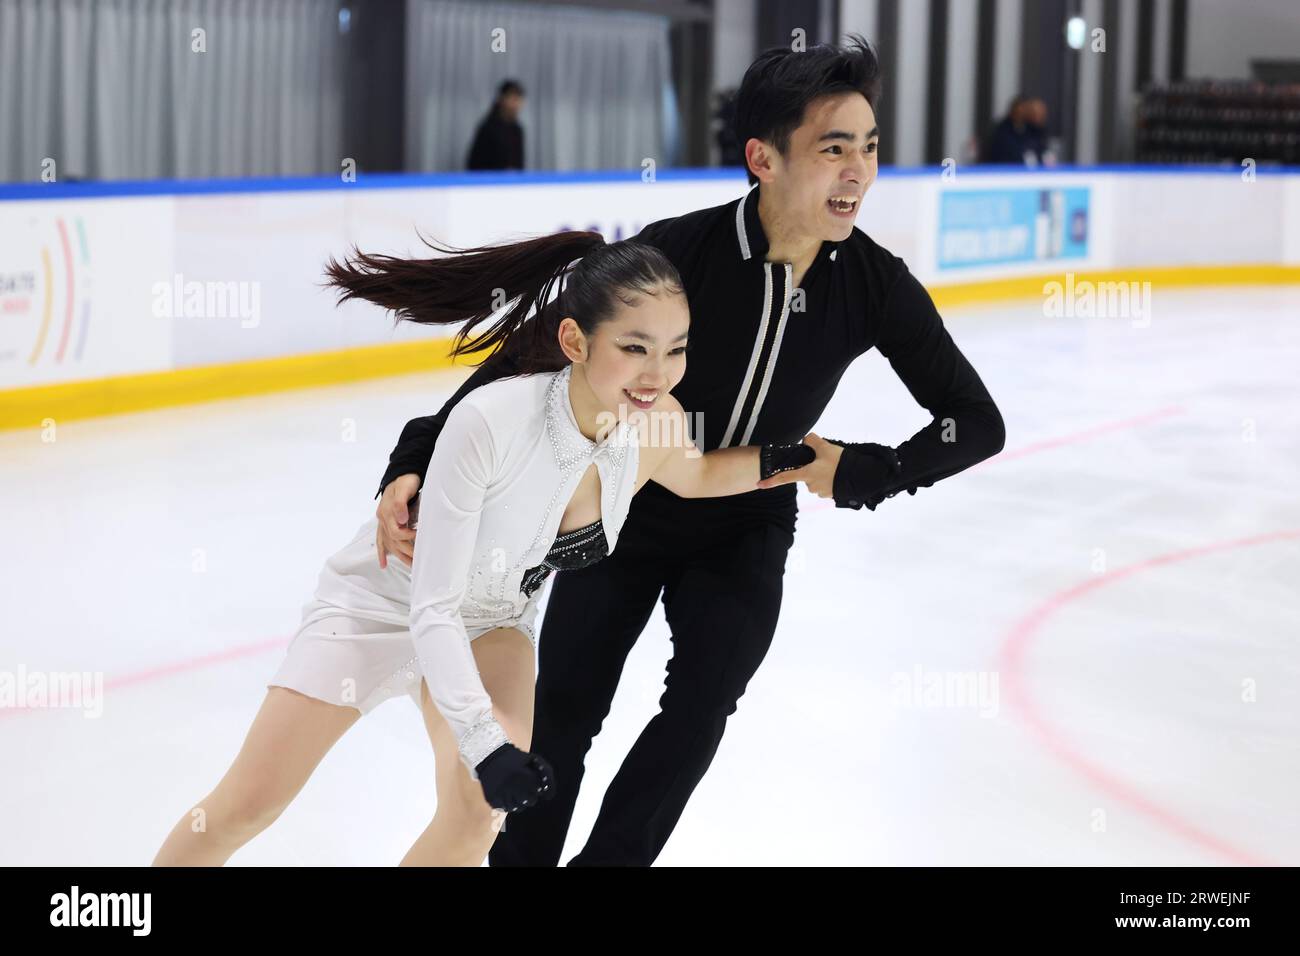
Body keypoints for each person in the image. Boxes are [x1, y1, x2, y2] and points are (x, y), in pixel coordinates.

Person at [374, 34, 1007, 866]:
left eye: (870, 147)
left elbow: (974, 420)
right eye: (833, 148)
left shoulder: (872, 283)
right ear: (763, 158)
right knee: (564, 709)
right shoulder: (680, 249)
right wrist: (412, 457)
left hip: (748, 524)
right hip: (620, 508)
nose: (859, 171)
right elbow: (526, 356)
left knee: (700, 710)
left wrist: (867, 470)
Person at [151, 231, 814, 866]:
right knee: (246, 807)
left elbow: (692, 475)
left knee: (473, 822)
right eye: (636, 348)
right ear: (574, 340)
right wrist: (484, 744)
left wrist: (792, 459)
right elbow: (432, 607)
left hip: (495, 621)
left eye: (677, 349)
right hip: (389, 600)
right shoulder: (493, 419)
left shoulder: (657, 423)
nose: (658, 374)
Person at [467, 79, 526, 171]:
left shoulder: (517, 129)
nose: (516, 104)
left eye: (518, 99)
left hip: (513, 183)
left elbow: (519, 164)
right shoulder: (488, 128)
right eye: (513, 98)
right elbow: (475, 164)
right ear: (502, 99)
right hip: (490, 182)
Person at [984, 95, 1051, 166]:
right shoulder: (1002, 129)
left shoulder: (1032, 129)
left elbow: (1041, 148)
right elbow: (1003, 152)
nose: (1022, 112)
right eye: (1020, 108)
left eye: (1025, 109)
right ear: (1013, 109)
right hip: (1005, 169)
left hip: (1029, 169)